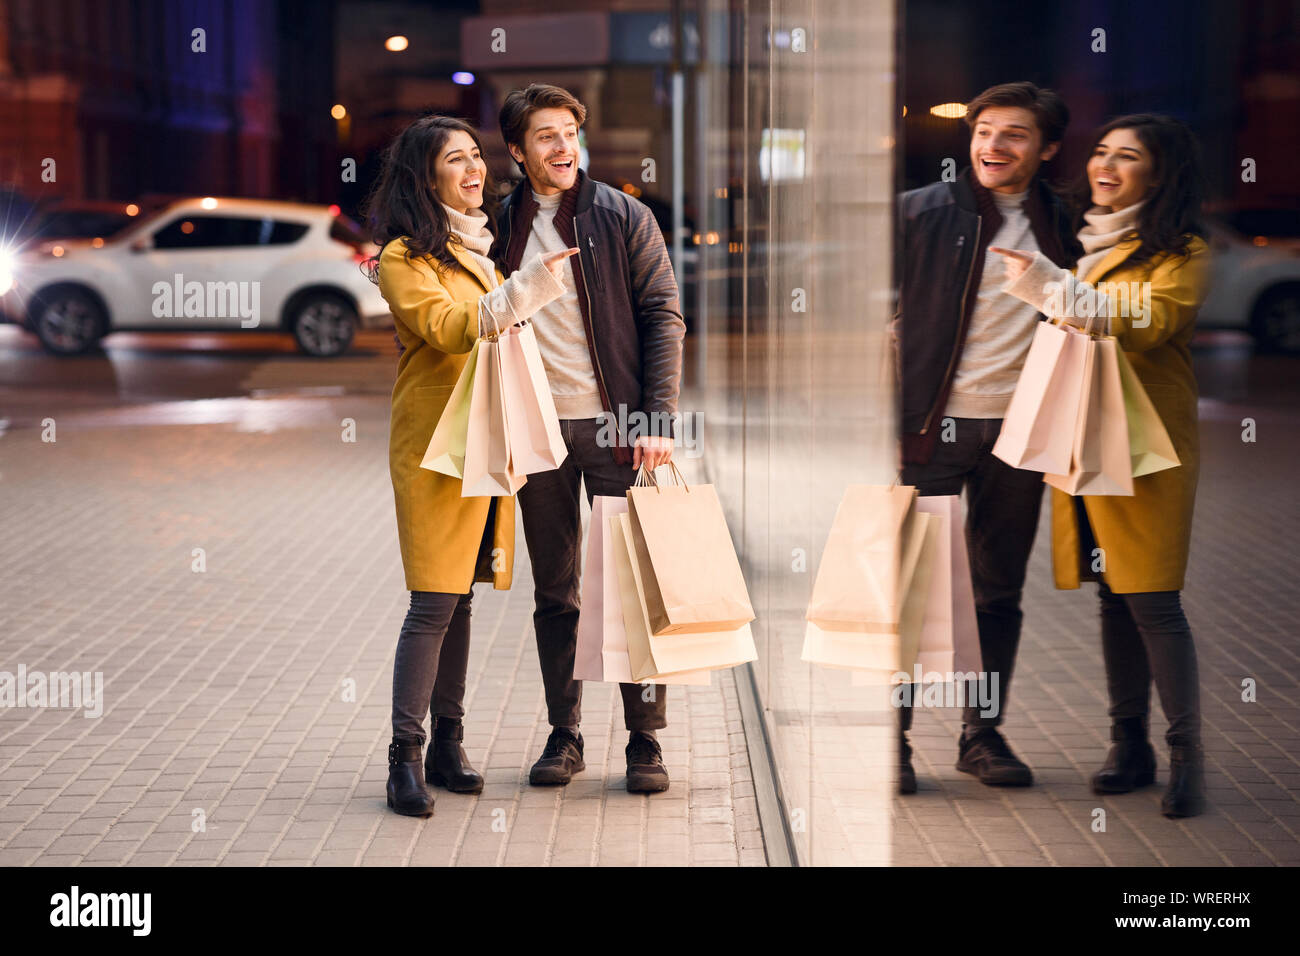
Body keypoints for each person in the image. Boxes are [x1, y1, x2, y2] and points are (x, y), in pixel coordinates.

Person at [992, 114, 1211, 818]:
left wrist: (1051, 287)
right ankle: (1130, 746)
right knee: (1113, 594)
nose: (1105, 164)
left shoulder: (1182, 252)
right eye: (1101, 151)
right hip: (1088, 444)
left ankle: (1188, 760)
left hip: (1145, 450)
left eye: (1128, 156)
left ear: (1160, 173)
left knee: (1153, 600)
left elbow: (1142, 322)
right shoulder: (1088, 246)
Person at [363, 114, 576, 816]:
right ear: (427, 178)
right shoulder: (402, 257)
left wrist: (514, 293)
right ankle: (404, 756)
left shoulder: (477, 254)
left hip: (481, 440)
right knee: (431, 599)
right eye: (456, 160)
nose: (474, 168)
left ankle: (450, 743)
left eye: (476, 157)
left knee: (461, 598)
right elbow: (451, 329)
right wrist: (523, 292)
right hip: (433, 450)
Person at [492, 84, 686, 793]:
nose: (562, 145)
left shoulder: (623, 215)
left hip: (616, 427)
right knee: (557, 590)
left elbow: (663, 316)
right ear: (517, 151)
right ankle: (565, 733)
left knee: (632, 585)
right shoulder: (499, 226)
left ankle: (645, 742)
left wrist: (657, 418)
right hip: (536, 430)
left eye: (569, 131)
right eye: (544, 135)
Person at [894, 81, 1081, 793]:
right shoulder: (919, 212)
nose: (994, 146)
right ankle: (894, 739)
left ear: (1048, 148)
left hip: (1021, 432)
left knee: (997, 589)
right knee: (912, 589)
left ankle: (982, 733)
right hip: (927, 432)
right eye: (984, 132)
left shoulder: (1064, 221)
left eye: (1015, 135)